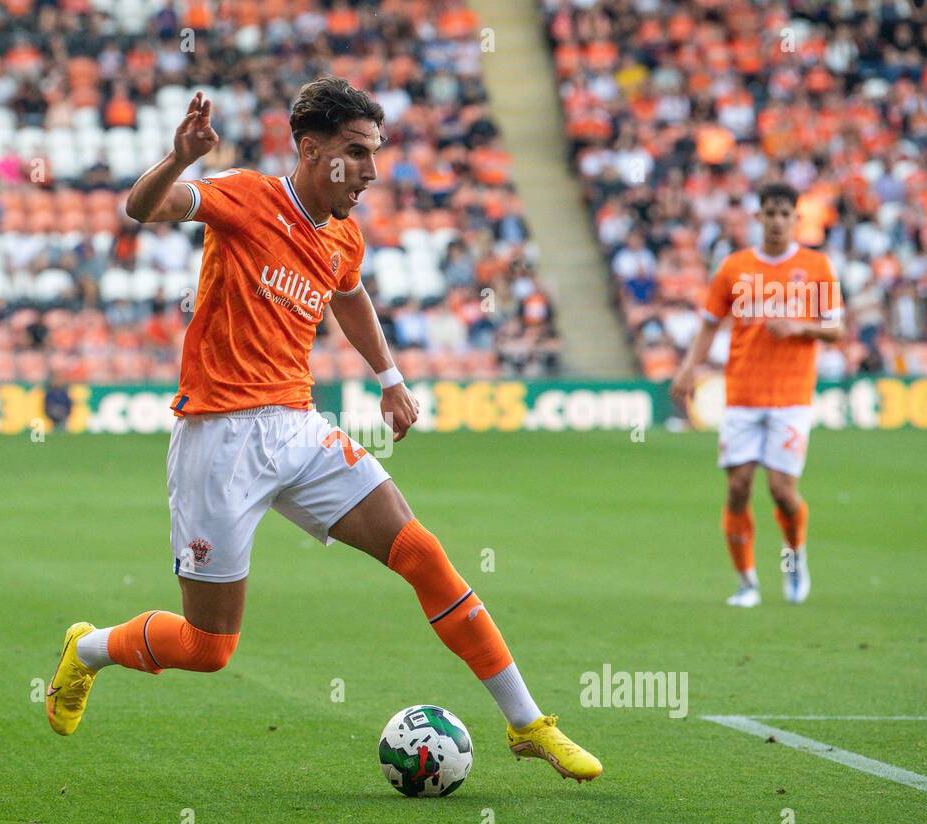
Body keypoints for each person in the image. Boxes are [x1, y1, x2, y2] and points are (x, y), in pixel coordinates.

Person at [44, 77, 601, 783]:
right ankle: (88, 650)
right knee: (210, 646)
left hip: (299, 428)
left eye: (375, 154)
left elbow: (352, 293)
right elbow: (143, 206)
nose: (371, 171)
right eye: (356, 153)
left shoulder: (342, 234)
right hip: (219, 443)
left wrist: (390, 379)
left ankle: (529, 725)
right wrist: (180, 158)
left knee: (423, 554)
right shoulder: (245, 196)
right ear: (310, 149)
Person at [670, 182, 845, 607]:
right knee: (738, 488)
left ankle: (794, 556)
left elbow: (836, 330)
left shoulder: (816, 266)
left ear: (796, 219)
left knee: (783, 493)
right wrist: (689, 367)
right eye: (770, 213)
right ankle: (747, 582)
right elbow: (710, 322)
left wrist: (800, 327)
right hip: (744, 395)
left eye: (786, 214)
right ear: (758, 217)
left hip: (791, 397)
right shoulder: (734, 267)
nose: (778, 221)